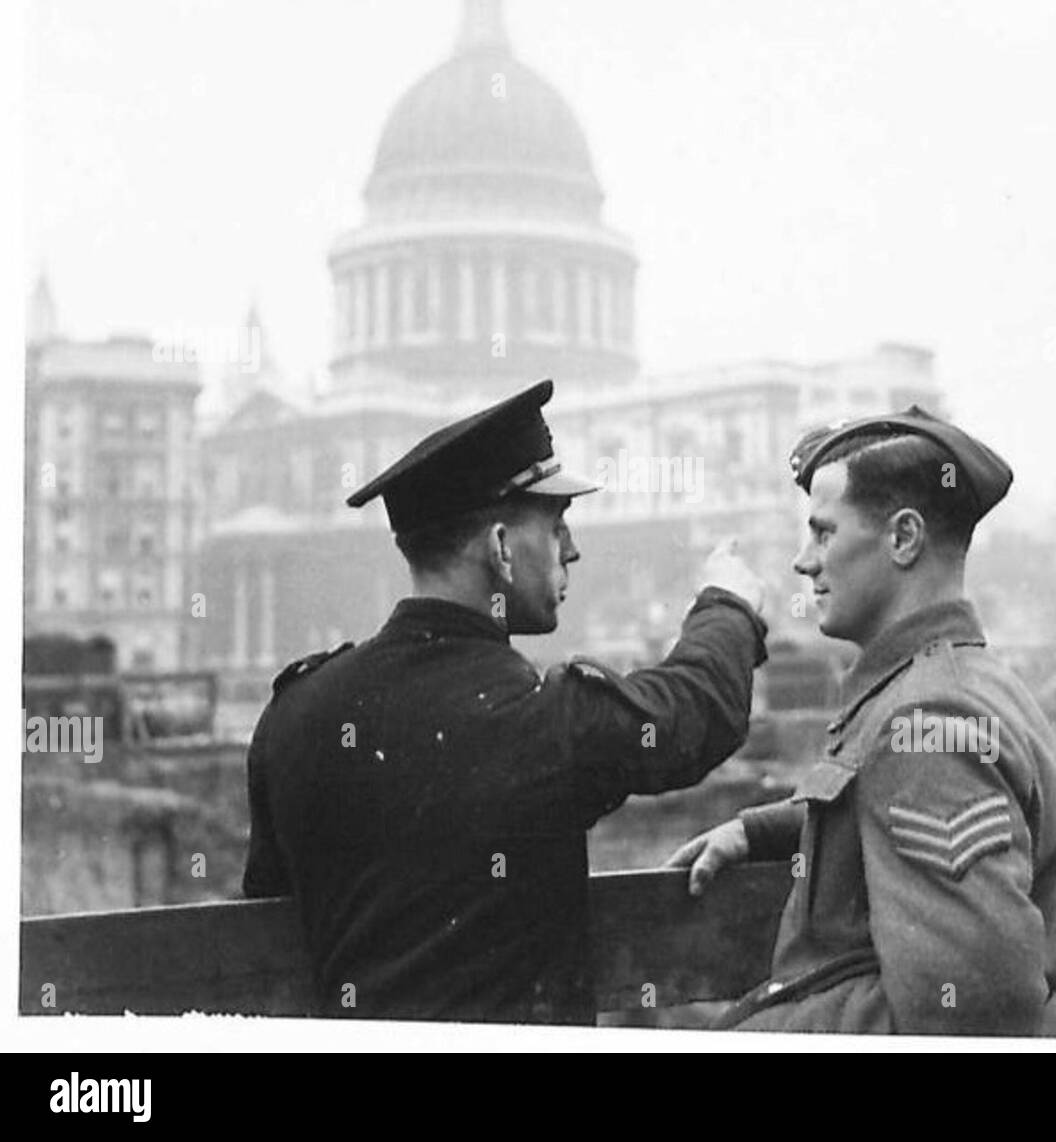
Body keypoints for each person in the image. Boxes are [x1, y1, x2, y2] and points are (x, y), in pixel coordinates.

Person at [242, 379, 767, 1024]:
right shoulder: (540, 717)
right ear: (498, 549)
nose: (571, 548)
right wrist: (728, 603)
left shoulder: (294, 714)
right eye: (554, 524)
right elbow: (695, 712)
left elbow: (267, 917)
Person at [667, 405, 1056, 1033]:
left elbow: (972, 1011)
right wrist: (761, 832)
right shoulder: (964, 681)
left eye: (824, 533)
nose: (802, 561)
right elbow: (878, 798)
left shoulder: (927, 719)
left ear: (902, 538)